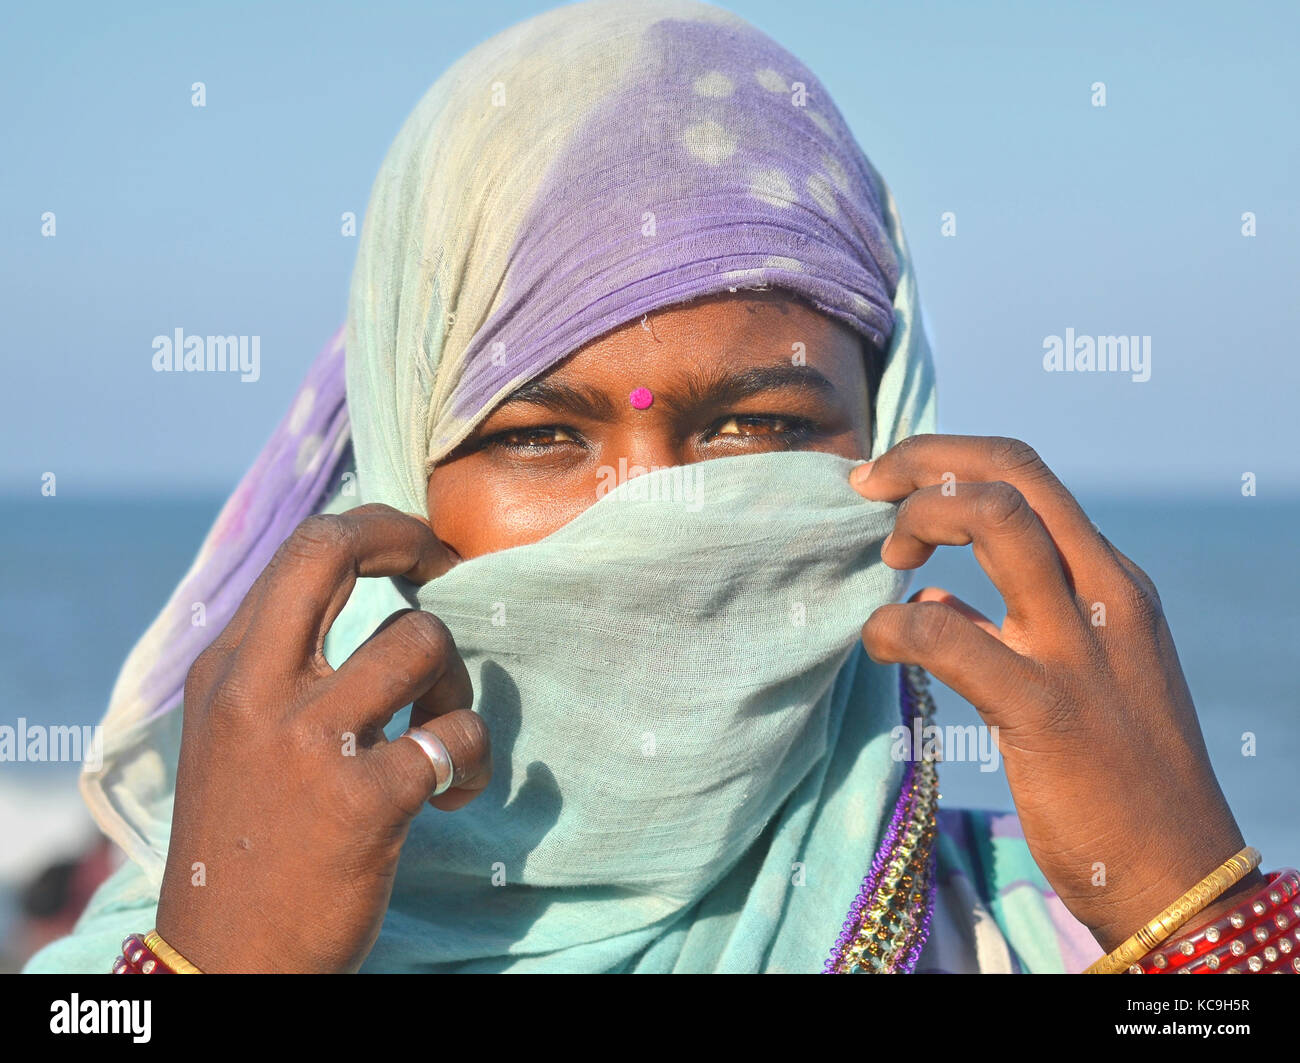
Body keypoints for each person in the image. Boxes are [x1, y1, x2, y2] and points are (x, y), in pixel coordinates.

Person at [24, 0, 1296, 974]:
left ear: (892, 440)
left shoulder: (1062, 933)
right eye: (536, 436)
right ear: (403, 467)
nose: (654, 509)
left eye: (755, 424)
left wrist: (1193, 901)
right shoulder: (169, 947)